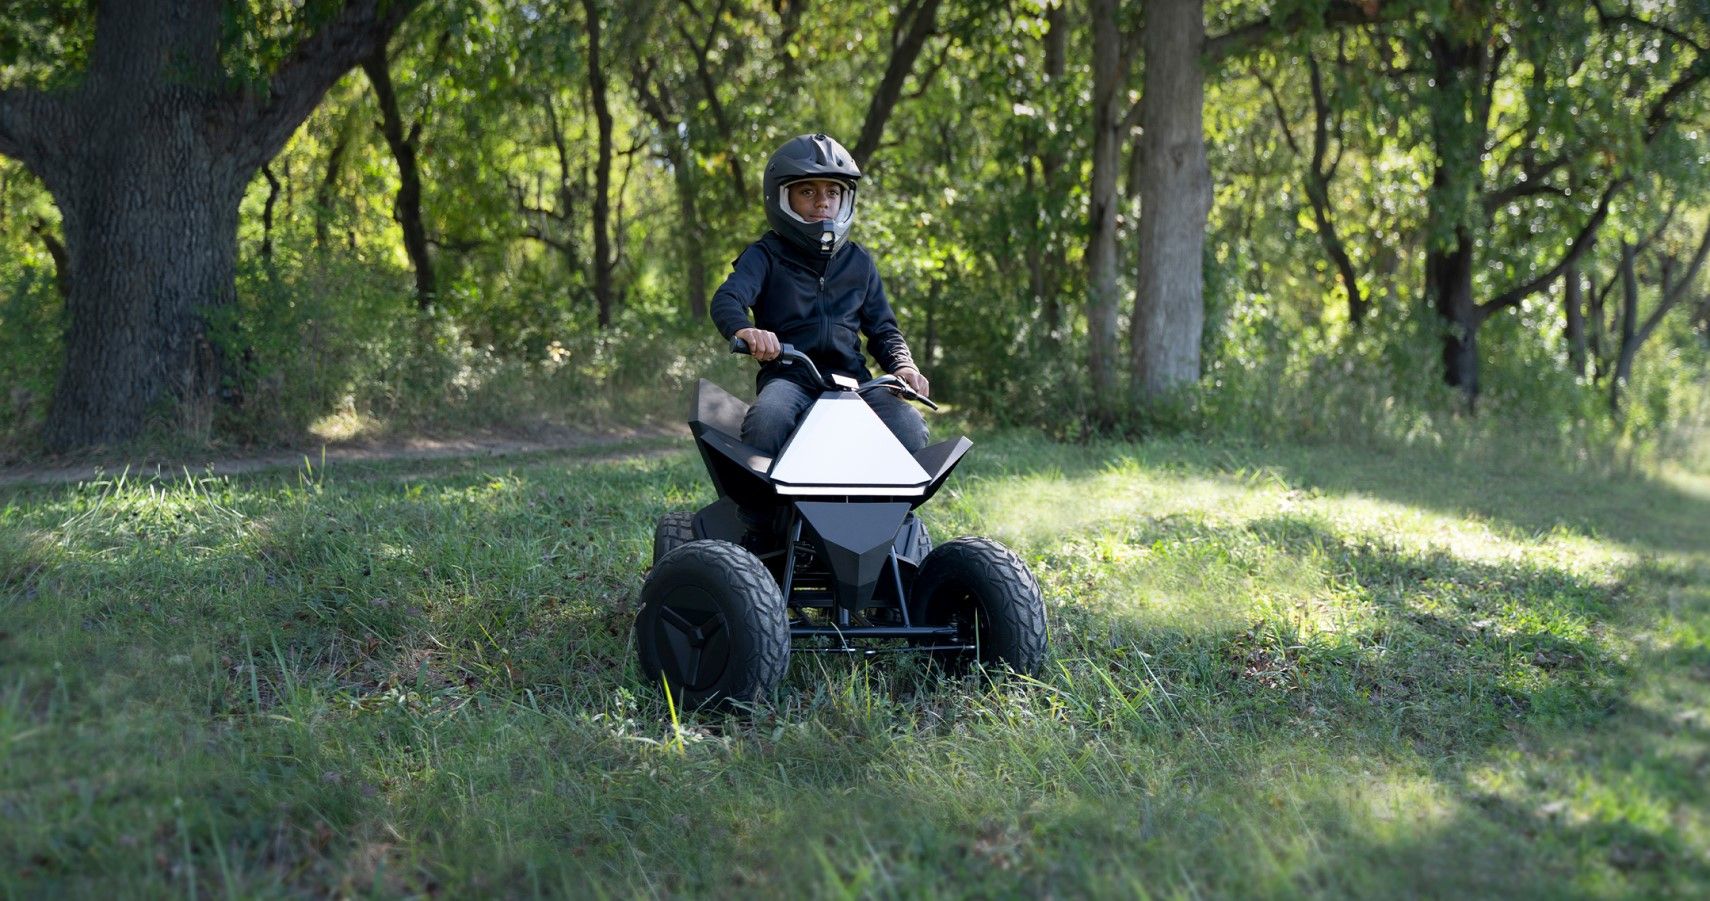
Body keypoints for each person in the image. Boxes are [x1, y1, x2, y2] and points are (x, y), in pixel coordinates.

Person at [710, 132, 931, 462]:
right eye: (808, 191)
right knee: (766, 421)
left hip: (854, 385)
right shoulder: (765, 255)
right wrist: (745, 330)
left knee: (910, 428)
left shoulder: (859, 262)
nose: (822, 201)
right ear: (782, 197)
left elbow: (884, 330)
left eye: (833, 191)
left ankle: (881, 511)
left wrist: (903, 365)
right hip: (790, 378)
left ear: (846, 199)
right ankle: (763, 511)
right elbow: (727, 298)